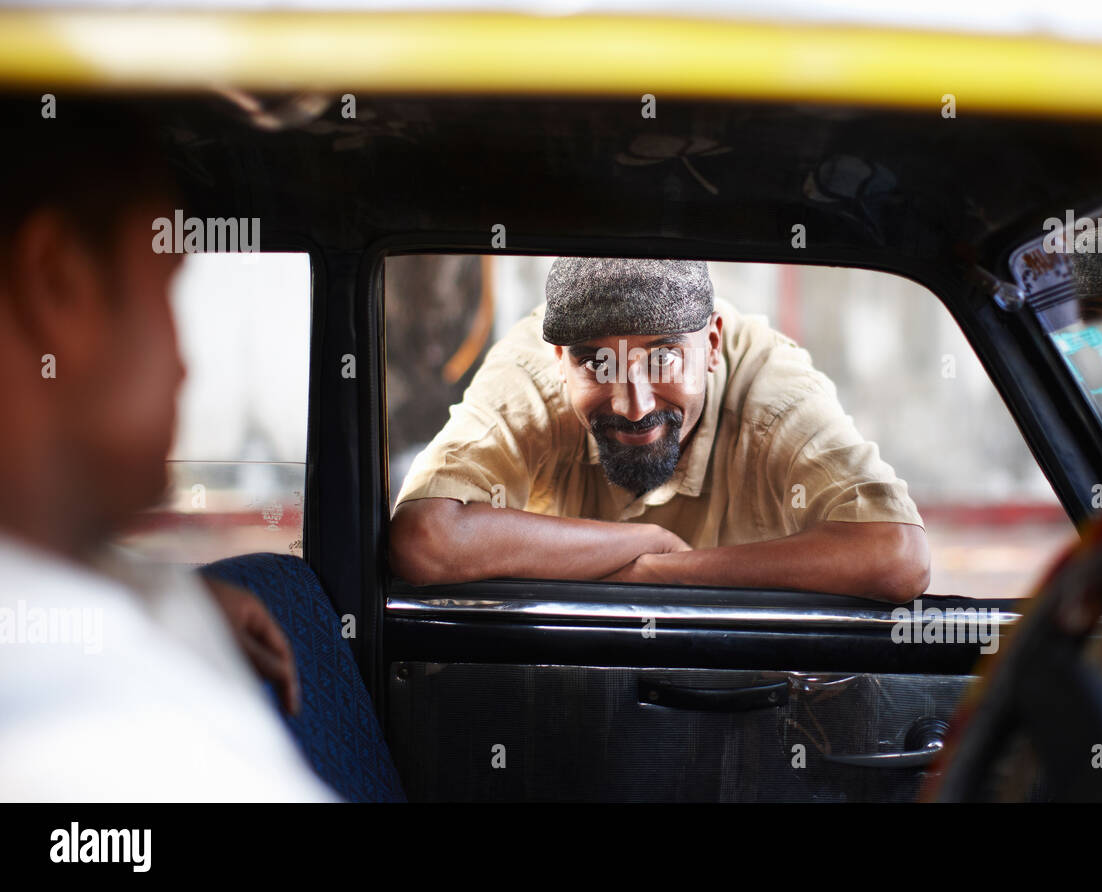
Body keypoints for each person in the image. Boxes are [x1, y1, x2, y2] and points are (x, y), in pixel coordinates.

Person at [0, 111, 334, 800]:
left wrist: (181, 593)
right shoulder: (117, 750)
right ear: (58, 280)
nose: (183, 366)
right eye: (166, 287)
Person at [390, 258, 929, 602]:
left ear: (712, 344)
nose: (633, 404)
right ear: (558, 358)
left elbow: (895, 556)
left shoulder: (771, 389)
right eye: (597, 364)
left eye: (664, 358)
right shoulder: (527, 372)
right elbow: (429, 540)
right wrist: (646, 542)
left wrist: (664, 573)